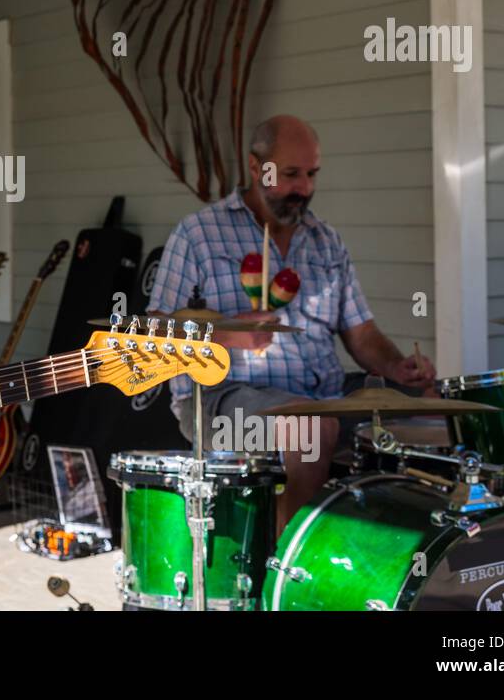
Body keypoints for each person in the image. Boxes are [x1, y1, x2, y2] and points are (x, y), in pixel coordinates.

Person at [149, 115, 436, 530]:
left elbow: (362, 334)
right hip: (219, 406)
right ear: (255, 167)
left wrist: (398, 367)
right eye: (290, 174)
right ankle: (287, 564)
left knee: (431, 404)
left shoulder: (325, 241)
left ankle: (401, 553)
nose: (304, 187)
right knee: (309, 429)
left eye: (312, 174)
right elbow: (156, 335)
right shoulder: (198, 235)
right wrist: (229, 335)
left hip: (325, 396)